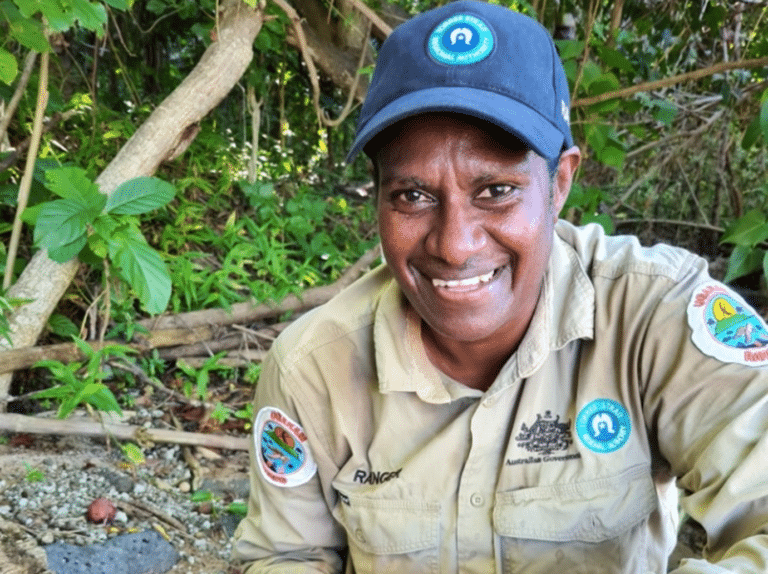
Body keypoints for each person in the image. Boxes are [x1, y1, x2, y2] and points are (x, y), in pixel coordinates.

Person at [231, 1, 768, 572]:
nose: (454, 245)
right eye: (413, 196)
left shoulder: (654, 315)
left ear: (559, 183)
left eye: (496, 191)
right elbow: (285, 555)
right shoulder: (313, 370)